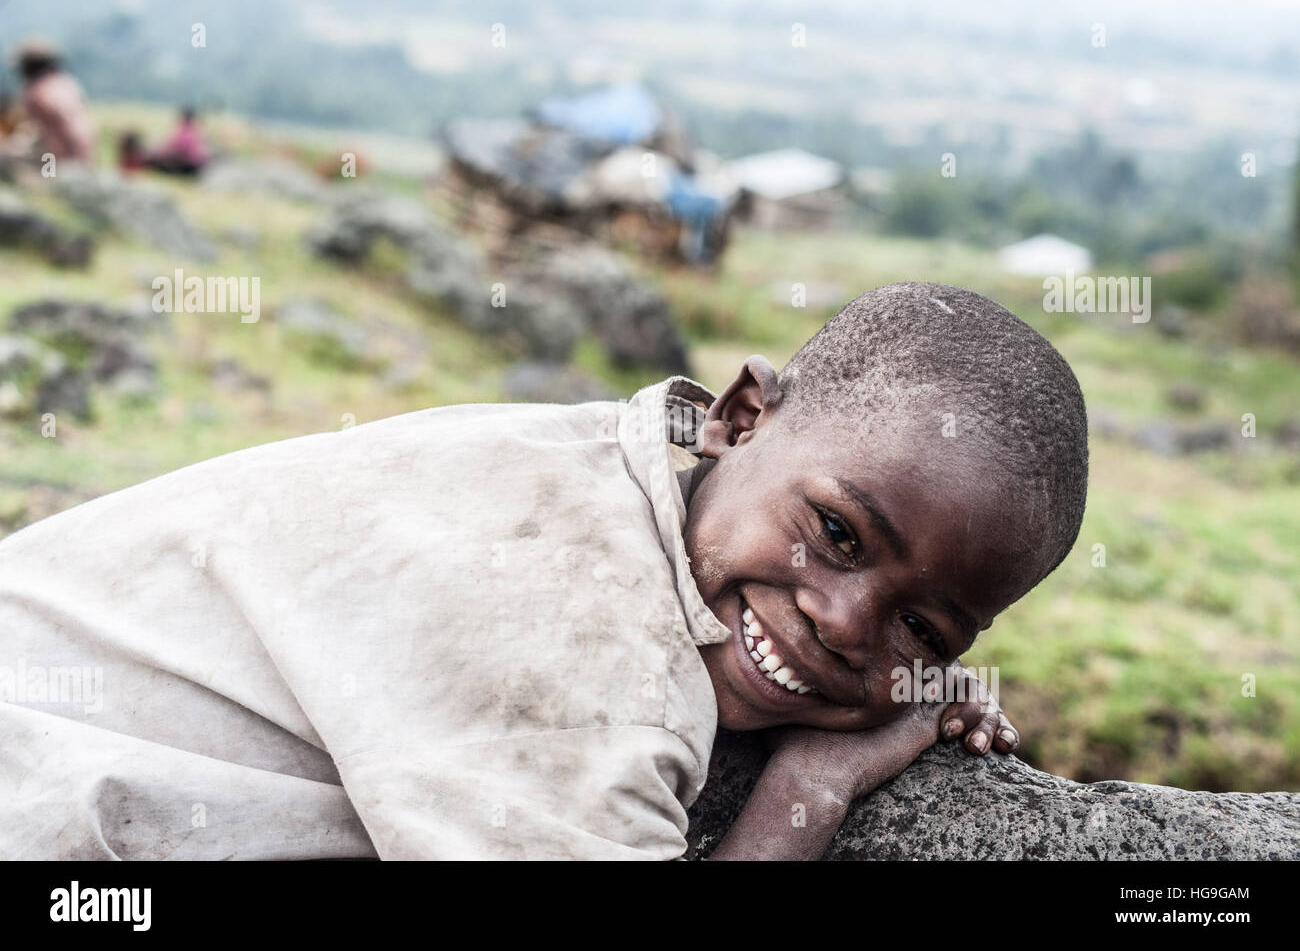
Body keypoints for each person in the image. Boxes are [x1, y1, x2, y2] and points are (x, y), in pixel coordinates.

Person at [0, 282, 1087, 860]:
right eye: (840, 535)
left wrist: (923, 698)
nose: (847, 623)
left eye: (923, 632)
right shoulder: (583, 632)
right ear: (740, 418)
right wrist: (812, 785)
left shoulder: (606, 462)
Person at [13, 39, 95, 165]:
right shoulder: (68, 85)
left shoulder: (37, 92)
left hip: (57, 162)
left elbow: (29, 134)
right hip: (84, 159)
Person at [142, 107, 210, 176]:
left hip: (182, 165)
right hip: (190, 166)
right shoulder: (196, 132)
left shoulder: (180, 131)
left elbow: (168, 149)